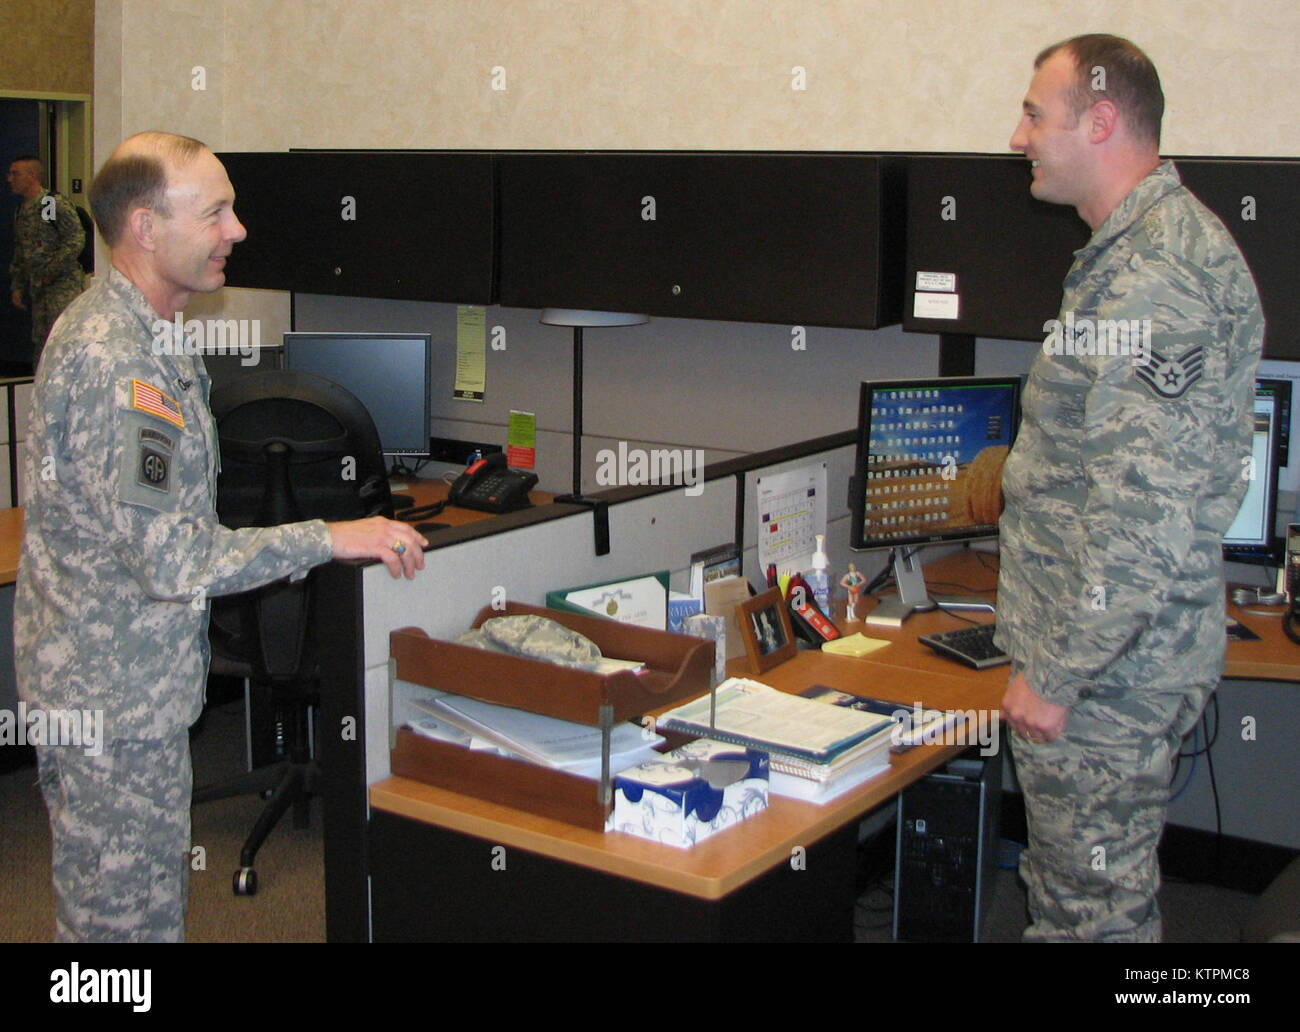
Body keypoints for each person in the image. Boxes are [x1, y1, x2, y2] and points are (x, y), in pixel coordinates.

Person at [14, 131, 429, 943]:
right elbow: (175, 560)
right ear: (144, 227)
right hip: (110, 702)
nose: (237, 231)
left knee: (133, 918)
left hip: (125, 688)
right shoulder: (119, 365)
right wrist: (331, 536)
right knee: (119, 934)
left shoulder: (152, 339)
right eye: (216, 213)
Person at [994, 35, 1264, 941]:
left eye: (1035, 113)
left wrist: (1059, 676)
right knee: (1083, 897)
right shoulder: (1132, 253)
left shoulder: (1157, 277)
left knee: (1088, 920)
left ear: (1100, 121)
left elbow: (1137, 518)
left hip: (1106, 678)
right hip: (1112, 661)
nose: (1016, 135)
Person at [7, 155, 86, 368]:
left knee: (63, 340)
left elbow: (75, 238)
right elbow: (22, 251)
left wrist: (53, 269)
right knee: (42, 345)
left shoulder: (49, 204)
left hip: (61, 287)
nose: (9, 179)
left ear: (32, 175)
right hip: (39, 290)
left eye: (15, 173)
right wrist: (18, 285)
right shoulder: (22, 210)